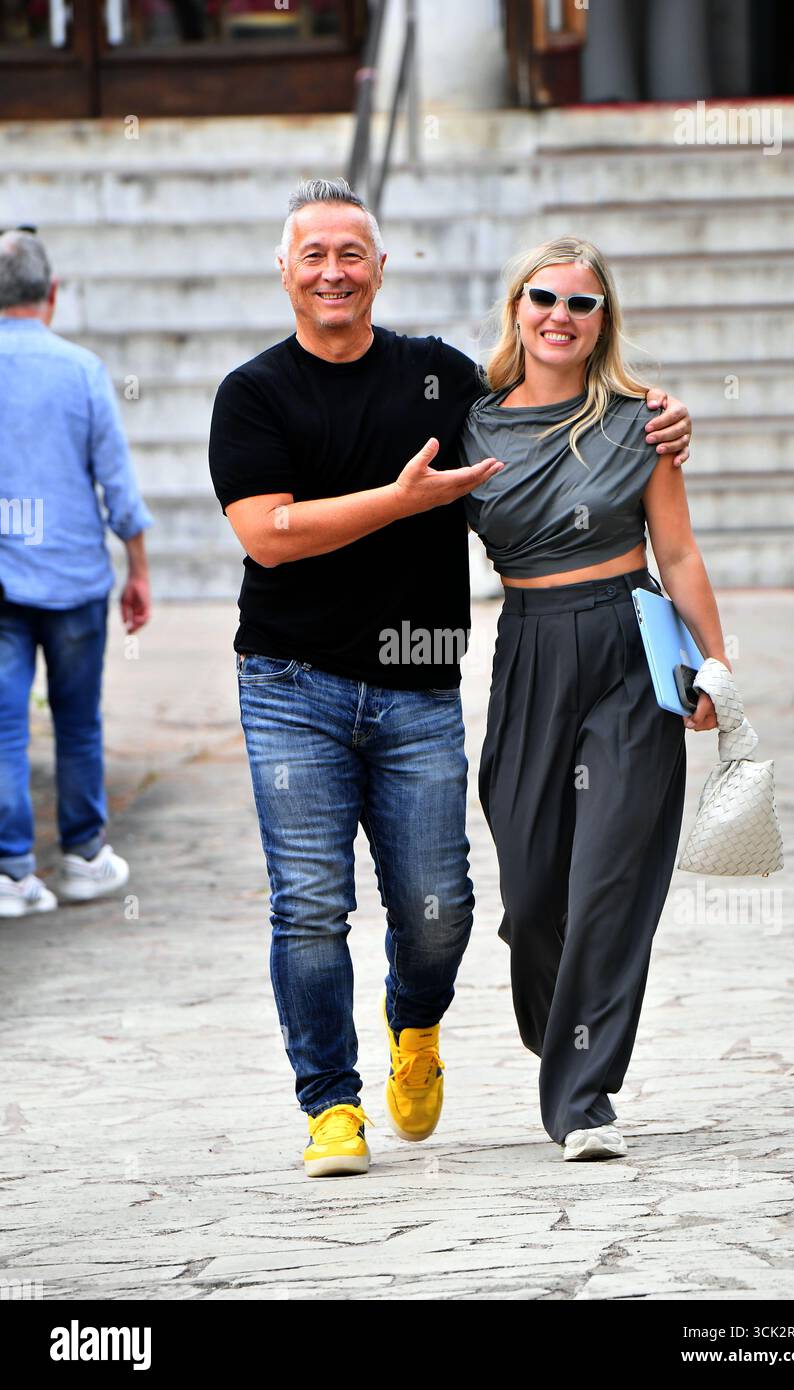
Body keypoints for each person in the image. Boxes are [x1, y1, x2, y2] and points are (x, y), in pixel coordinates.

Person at [207, 179, 693, 1178]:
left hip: (419, 683)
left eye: (353, 253)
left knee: (439, 911)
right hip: (289, 682)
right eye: (313, 255)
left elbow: (548, 414)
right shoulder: (252, 393)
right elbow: (269, 534)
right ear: (285, 271)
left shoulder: (439, 379)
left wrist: (656, 413)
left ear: (380, 268)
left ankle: (415, 1026)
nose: (334, 271)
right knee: (308, 903)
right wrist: (397, 500)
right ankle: (330, 1106)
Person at [461, 235, 729, 1161]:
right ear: (517, 308)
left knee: (610, 875)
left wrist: (716, 667)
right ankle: (562, 1034)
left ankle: (583, 1100)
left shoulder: (641, 423)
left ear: (602, 319)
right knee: (534, 891)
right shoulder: (474, 426)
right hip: (529, 650)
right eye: (545, 298)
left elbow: (680, 553)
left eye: (582, 304)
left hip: (627, 644)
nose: (560, 317)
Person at [0, 230, 153, 917]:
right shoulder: (83, 370)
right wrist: (138, 571)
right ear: (52, 295)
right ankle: (85, 856)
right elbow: (116, 485)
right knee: (78, 721)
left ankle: (11, 873)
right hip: (74, 579)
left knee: (3, 726)